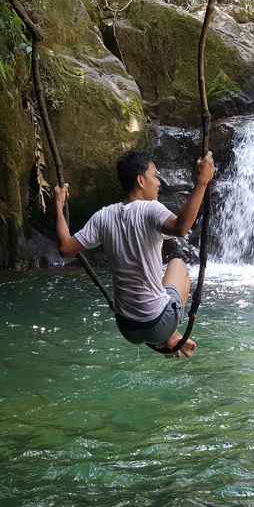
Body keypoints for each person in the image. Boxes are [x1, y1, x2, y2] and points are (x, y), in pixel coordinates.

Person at [55, 149, 215, 358]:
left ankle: (165, 337)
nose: (158, 183)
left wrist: (58, 206)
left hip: (126, 327)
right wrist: (202, 181)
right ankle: (170, 334)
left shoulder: (103, 216)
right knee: (178, 265)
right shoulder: (151, 209)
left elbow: (65, 248)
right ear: (140, 180)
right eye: (154, 175)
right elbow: (181, 228)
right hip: (157, 324)